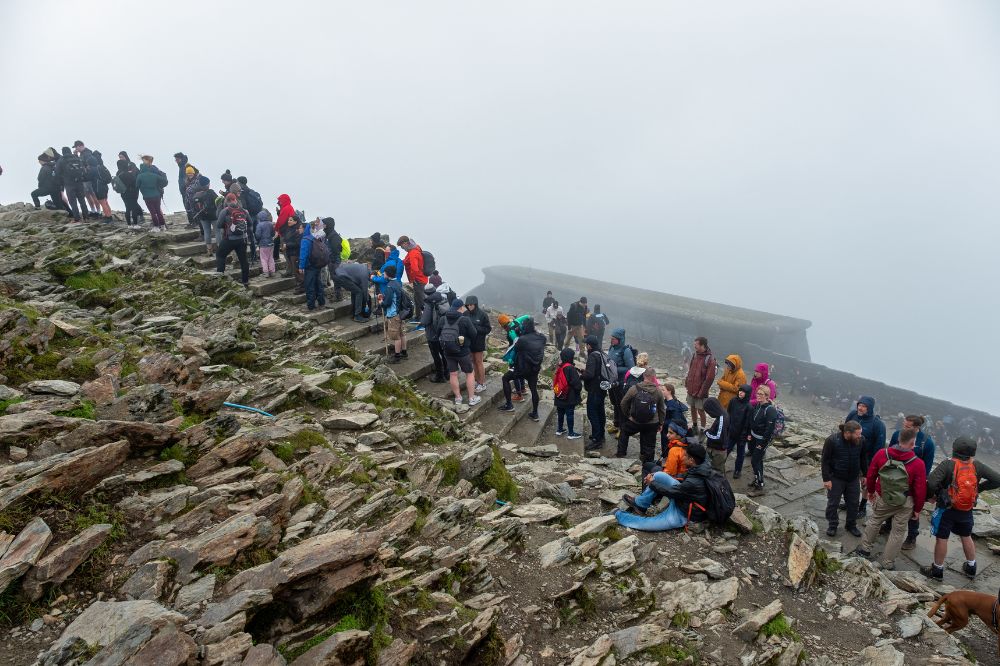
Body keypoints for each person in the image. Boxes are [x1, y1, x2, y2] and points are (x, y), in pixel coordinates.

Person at [920, 436, 1000, 580]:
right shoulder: (977, 465)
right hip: (966, 509)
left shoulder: (947, 464)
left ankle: (937, 570)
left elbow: (931, 482)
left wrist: (931, 496)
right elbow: (997, 479)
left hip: (946, 509)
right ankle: (971, 567)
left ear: (954, 449)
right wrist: (978, 489)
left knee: (942, 538)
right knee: (966, 535)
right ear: (973, 452)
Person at [852, 428, 926, 571]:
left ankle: (865, 549)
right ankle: (888, 562)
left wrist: (872, 492)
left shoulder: (882, 454)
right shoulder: (918, 464)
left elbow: (871, 474)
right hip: (905, 501)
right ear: (912, 444)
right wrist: (917, 509)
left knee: (875, 521)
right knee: (897, 532)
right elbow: (920, 489)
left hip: (884, 496)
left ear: (898, 439)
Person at [616, 443, 712, 531]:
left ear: (691, 460)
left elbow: (671, 491)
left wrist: (652, 483)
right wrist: (656, 475)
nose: (683, 457)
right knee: (659, 475)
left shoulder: (693, 482)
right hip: (684, 498)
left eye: (685, 455)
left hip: (683, 513)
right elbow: (683, 478)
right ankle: (641, 504)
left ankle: (618, 515)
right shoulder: (701, 467)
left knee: (648, 524)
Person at [884, 414, 937, 550]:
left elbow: (927, 467)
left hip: (913, 482)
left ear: (917, 427)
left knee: (913, 509)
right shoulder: (897, 434)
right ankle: (888, 526)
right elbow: (889, 453)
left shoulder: (927, 442)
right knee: (891, 500)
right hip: (895, 477)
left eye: (907, 426)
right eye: (904, 425)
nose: (904, 428)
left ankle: (912, 537)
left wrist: (919, 484)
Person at [821, 421, 865, 537]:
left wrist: (864, 475)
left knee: (854, 503)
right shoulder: (832, 440)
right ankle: (832, 525)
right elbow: (825, 461)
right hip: (836, 477)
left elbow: (863, 458)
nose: (860, 436)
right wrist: (826, 479)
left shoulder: (861, 440)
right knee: (833, 503)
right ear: (847, 433)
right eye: (857, 434)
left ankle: (851, 525)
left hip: (853, 478)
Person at [498, 317, 546, 419]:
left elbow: (516, 348)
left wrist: (516, 337)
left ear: (524, 327)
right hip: (535, 369)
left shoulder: (522, 339)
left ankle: (509, 405)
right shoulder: (542, 337)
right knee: (533, 390)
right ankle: (535, 413)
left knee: (505, 378)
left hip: (522, 369)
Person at [616, 367, 666, 465]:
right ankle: (647, 462)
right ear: (654, 377)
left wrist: (628, 415)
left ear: (643, 376)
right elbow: (662, 409)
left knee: (624, 431)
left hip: (635, 421)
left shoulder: (634, 388)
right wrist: (660, 423)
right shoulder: (658, 391)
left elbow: (623, 403)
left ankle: (621, 453)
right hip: (652, 423)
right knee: (650, 443)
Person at [846, 396, 886, 517]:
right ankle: (849, 502)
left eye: (863, 406)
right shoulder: (853, 415)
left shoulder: (878, 424)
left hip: (867, 459)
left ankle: (862, 507)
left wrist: (873, 464)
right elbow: (845, 432)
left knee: (865, 485)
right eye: (859, 405)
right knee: (848, 481)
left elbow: (879, 447)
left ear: (870, 408)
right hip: (849, 455)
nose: (860, 408)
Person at [436, 299, 480, 406]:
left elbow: (438, 333)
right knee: (469, 373)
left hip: (448, 351)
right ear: (460, 308)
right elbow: (474, 334)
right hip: (463, 352)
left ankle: (458, 398)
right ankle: (471, 398)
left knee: (453, 374)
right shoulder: (465, 320)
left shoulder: (443, 319)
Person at [747, 385, 778, 495]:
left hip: (761, 440)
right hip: (754, 437)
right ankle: (757, 480)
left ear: (767, 396)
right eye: (757, 393)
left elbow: (769, 429)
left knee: (755, 461)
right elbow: (753, 421)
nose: (758, 396)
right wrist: (750, 433)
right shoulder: (758, 406)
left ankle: (760, 485)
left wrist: (762, 443)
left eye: (761, 394)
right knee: (757, 460)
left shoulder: (770, 410)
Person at [216, 194, 251, 287]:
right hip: (242, 239)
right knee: (243, 260)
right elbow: (250, 223)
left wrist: (227, 225)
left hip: (229, 239)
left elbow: (218, 225)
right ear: (236, 200)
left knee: (220, 255)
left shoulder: (225, 211)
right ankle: (245, 281)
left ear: (226, 201)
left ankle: (220, 278)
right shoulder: (244, 211)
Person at [581, 335, 608, 455]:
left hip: (594, 389)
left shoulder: (592, 356)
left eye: (586, 344)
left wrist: (581, 375)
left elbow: (590, 375)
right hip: (602, 388)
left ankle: (597, 439)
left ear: (589, 346)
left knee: (592, 413)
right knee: (600, 411)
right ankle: (601, 435)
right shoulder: (601, 354)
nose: (586, 346)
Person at [607, 328, 636, 435]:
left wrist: (614, 368)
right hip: (612, 381)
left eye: (614, 339)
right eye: (611, 338)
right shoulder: (612, 347)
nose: (611, 340)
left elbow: (631, 368)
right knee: (614, 403)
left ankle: (623, 428)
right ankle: (616, 424)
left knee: (621, 404)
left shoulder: (626, 351)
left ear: (620, 339)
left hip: (621, 382)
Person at [684, 337, 716, 435]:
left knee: (701, 411)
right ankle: (694, 426)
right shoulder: (695, 355)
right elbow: (690, 370)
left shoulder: (710, 359)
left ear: (702, 345)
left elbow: (709, 378)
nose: (694, 346)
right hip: (692, 388)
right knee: (692, 407)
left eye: (696, 345)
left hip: (701, 391)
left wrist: (702, 392)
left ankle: (702, 429)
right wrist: (687, 382)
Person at [379, 265, 408, 364]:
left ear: (388, 274)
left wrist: (381, 302)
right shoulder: (397, 283)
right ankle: (404, 352)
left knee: (396, 336)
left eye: (384, 272)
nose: (383, 274)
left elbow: (387, 302)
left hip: (393, 314)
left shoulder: (389, 286)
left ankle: (397, 356)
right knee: (402, 333)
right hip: (400, 313)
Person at [419, 284, 448, 382]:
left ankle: (439, 376)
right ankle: (447, 373)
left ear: (426, 293)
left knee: (436, 355)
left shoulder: (429, 302)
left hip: (433, 334)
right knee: (443, 353)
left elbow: (425, 321)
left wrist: (423, 313)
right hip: (442, 332)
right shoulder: (442, 298)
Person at [553, 348, 583, 440]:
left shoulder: (560, 366)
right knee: (570, 414)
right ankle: (571, 433)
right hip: (569, 396)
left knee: (560, 412)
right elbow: (576, 384)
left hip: (559, 394)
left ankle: (559, 429)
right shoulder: (570, 368)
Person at [299, 219, 329, 310]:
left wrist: (301, 266)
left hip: (310, 266)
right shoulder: (313, 237)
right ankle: (321, 302)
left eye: (300, 228)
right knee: (318, 283)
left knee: (309, 285)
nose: (298, 230)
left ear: (304, 229)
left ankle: (311, 305)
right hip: (317, 264)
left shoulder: (305, 239)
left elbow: (303, 254)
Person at [397, 236, 428, 322]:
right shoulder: (415, 248)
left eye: (402, 247)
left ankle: (426, 320)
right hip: (422, 278)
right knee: (416, 299)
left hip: (418, 280)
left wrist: (412, 281)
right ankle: (418, 317)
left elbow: (414, 269)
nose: (402, 249)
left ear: (405, 243)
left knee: (421, 300)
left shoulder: (413, 253)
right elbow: (406, 261)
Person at [464, 295, 491, 392]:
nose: (469, 307)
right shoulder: (465, 314)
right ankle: (476, 380)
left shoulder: (482, 314)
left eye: (471, 305)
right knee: (473, 362)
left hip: (479, 342)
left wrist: (476, 328)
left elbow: (488, 329)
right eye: (468, 305)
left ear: (475, 304)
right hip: (469, 342)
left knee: (479, 361)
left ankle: (482, 383)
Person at [55, 147, 88, 222]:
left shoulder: (61, 160)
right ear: (70, 151)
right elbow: (83, 169)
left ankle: (77, 218)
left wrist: (61, 181)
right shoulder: (76, 158)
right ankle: (86, 217)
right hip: (79, 182)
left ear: (63, 152)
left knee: (73, 202)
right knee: (82, 200)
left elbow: (57, 173)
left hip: (69, 184)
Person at [726, 384, 753, 479]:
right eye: (740, 391)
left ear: (748, 394)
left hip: (742, 435)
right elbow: (728, 414)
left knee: (740, 454)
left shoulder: (749, 407)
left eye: (743, 392)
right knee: (726, 450)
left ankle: (738, 470)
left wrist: (744, 436)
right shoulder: (733, 401)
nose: (741, 393)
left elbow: (748, 423)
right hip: (731, 432)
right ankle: (719, 466)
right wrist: (727, 428)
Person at [135, 155, 168, 232]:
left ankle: (156, 227)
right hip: (157, 195)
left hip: (147, 197)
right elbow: (164, 181)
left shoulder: (139, 176)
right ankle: (163, 226)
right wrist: (158, 186)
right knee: (158, 211)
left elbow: (136, 186)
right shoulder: (154, 175)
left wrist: (142, 188)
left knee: (153, 212)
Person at [659, 383, 689, 459]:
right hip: (665, 429)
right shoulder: (665, 401)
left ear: (669, 391)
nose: (661, 391)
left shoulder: (674, 405)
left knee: (668, 447)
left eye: (663, 390)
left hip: (670, 431)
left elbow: (676, 421)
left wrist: (663, 423)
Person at [703, 397, 730, 472]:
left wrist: (707, 433)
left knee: (717, 471)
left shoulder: (722, 419)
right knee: (720, 469)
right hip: (719, 449)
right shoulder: (723, 413)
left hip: (718, 451)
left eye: (708, 412)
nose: (709, 414)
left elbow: (718, 437)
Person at [90, 151, 114, 221]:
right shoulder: (103, 166)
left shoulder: (95, 167)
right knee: (106, 202)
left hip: (98, 187)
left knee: (102, 203)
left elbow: (89, 177)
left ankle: (108, 217)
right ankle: (109, 215)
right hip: (105, 186)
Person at [255, 210, 276, 277]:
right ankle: (272, 271)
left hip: (263, 244)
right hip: (271, 243)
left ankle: (266, 272)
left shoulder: (259, 225)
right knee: (270, 258)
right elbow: (273, 233)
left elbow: (258, 235)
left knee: (263, 258)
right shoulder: (270, 224)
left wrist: (257, 240)